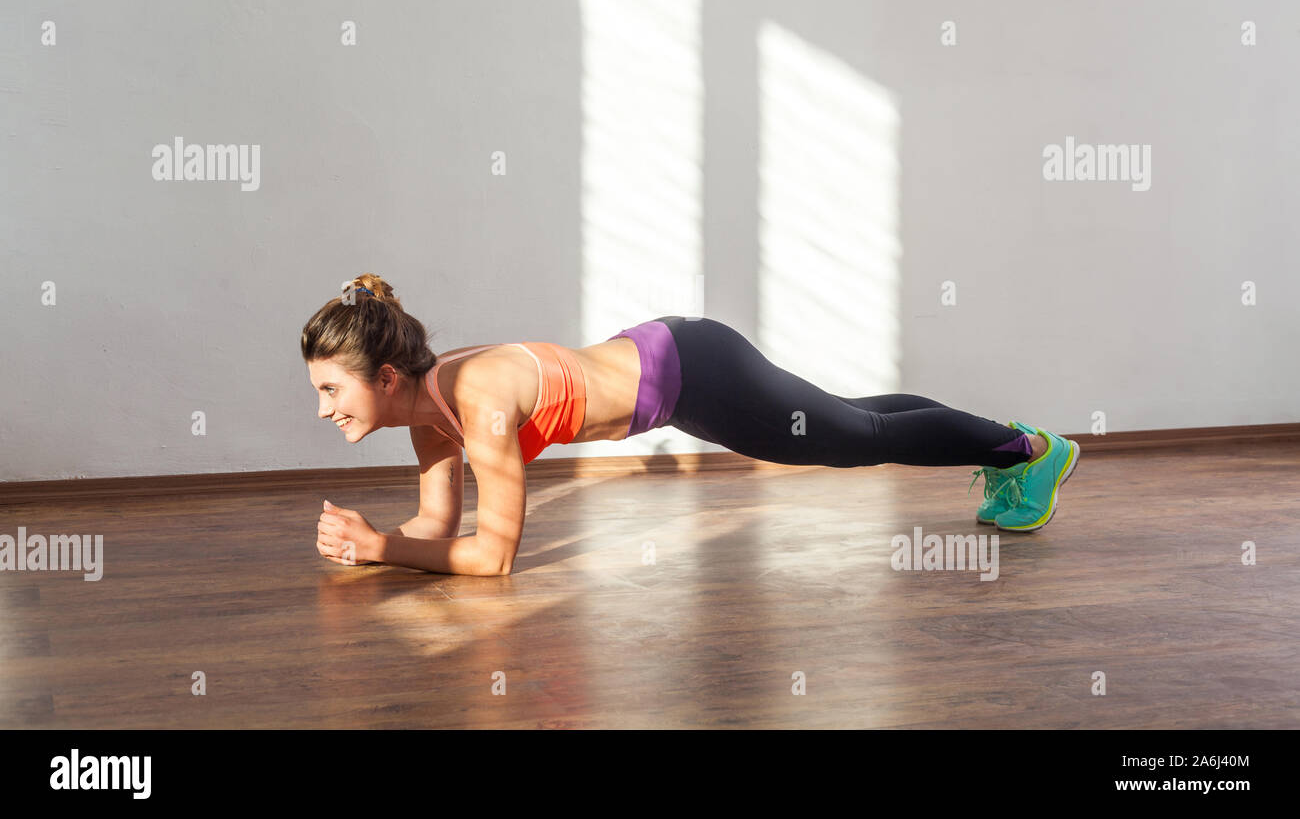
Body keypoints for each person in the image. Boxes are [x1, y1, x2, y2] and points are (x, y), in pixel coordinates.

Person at [303, 274, 1080, 576]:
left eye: (332, 387)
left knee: (855, 442)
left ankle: (1031, 449)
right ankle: (1006, 441)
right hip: (679, 362)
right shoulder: (430, 412)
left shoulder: (481, 403)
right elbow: (438, 527)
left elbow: (493, 557)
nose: (324, 406)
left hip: (695, 373)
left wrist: (381, 549)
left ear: (387, 378)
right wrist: (372, 547)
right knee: (850, 424)